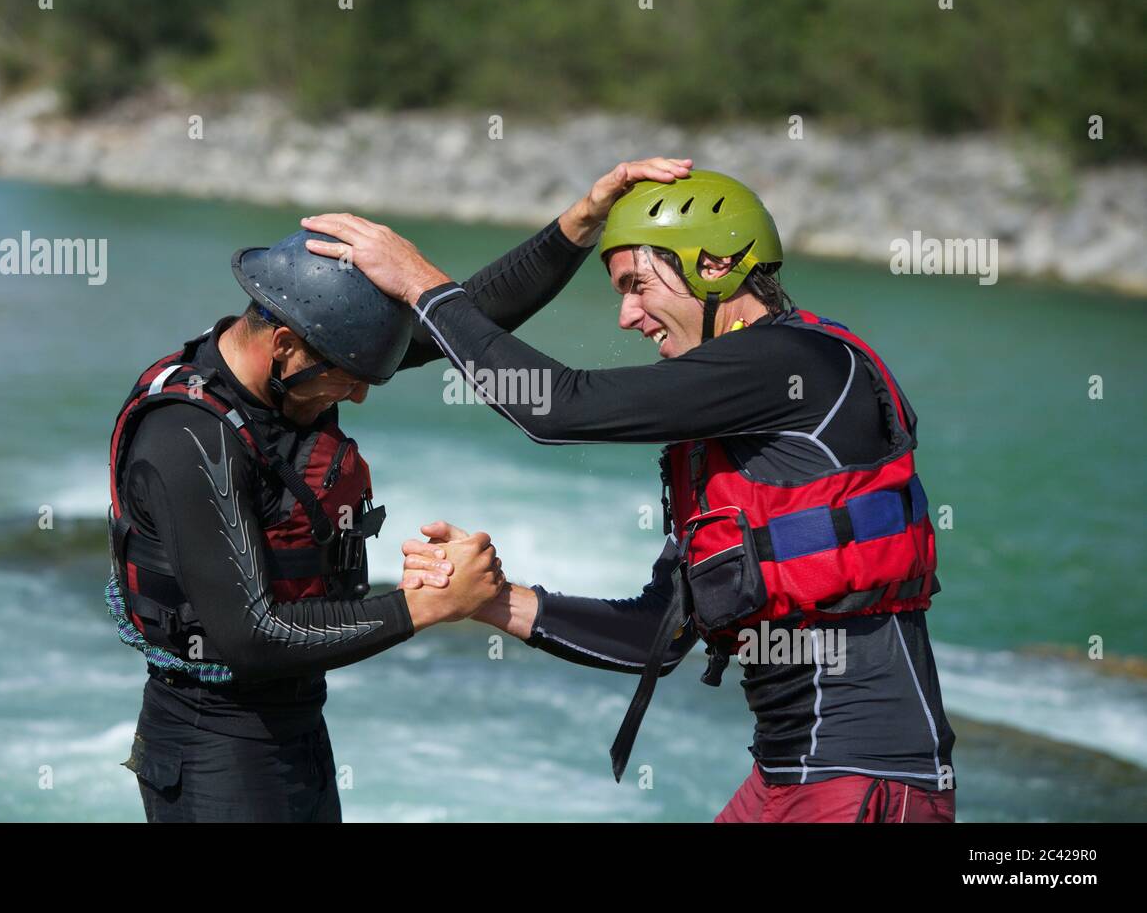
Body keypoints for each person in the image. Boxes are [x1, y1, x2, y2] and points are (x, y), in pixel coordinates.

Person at [304, 166, 957, 823]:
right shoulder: (732, 436)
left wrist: (421, 283)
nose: (626, 316)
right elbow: (655, 634)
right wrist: (489, 600)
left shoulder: (796, 365)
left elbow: (555, 408)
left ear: (717, 263)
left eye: (637, 285)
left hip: (868, 784)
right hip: (786, 779)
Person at [106, 213, 596, 821]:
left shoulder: (300, 363)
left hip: (296, 726)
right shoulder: (189, 436)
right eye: (349, 378)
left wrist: (582, 222)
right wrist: (429, 605)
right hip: (215, 746)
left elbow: (471, 317)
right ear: (283, 345)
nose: (360, 395)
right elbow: (249, 637)